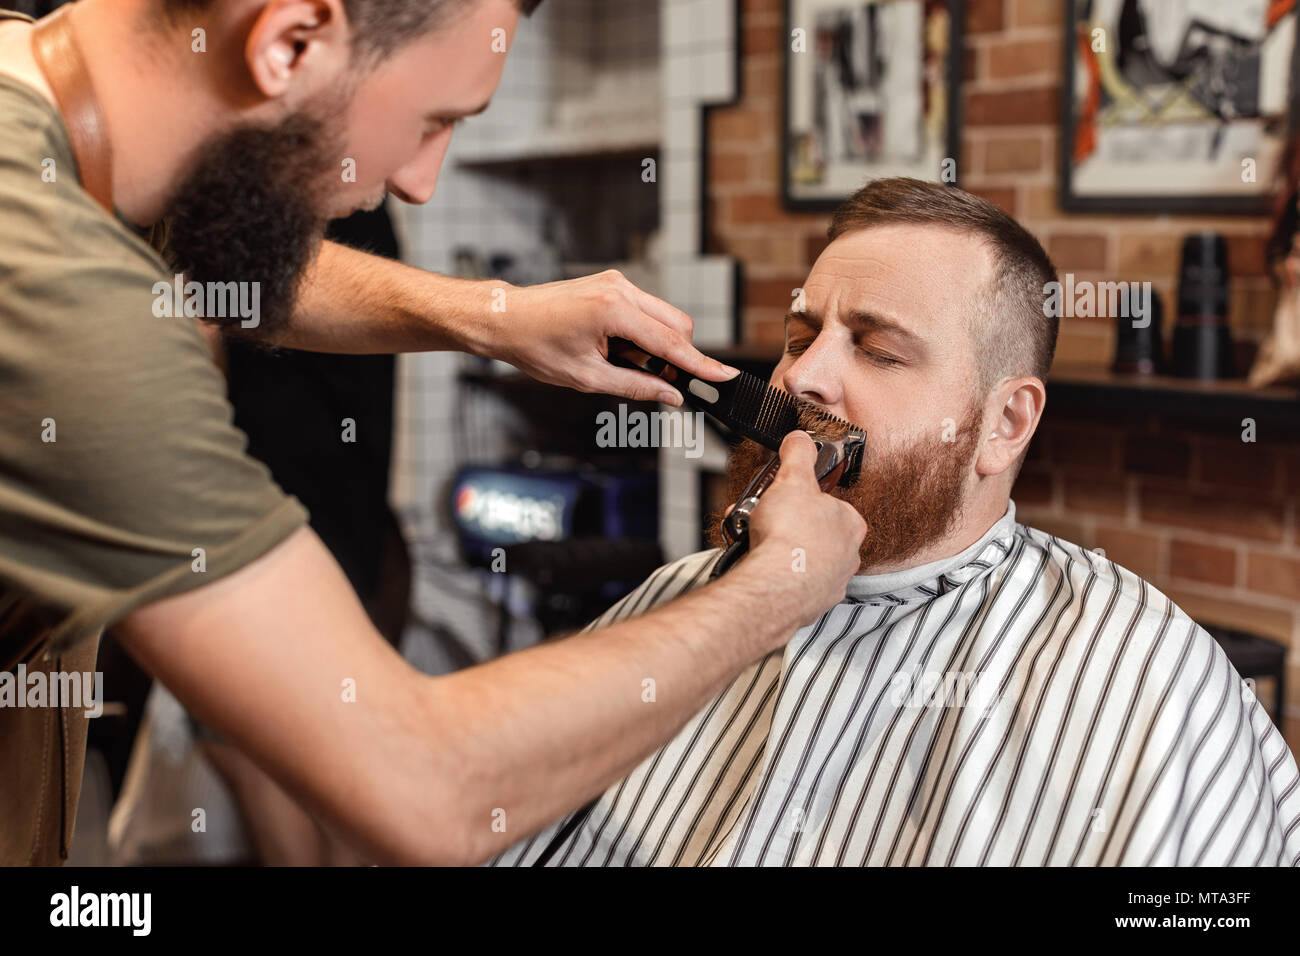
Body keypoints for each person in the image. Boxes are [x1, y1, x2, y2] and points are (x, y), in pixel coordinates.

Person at [0, 0, 867, 865]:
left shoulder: (52, 95)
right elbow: (425, 786)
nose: (420, 182)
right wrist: (778, 590)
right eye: (434, 120)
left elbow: (200, 250)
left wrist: (487, 314)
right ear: (292, 40)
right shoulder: (48, 281)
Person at [490, 178, 1300, 867]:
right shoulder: (676, 602)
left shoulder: (1147, 684)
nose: (804, 377)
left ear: (1005, 424)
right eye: (801, 336)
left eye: (877, 351)